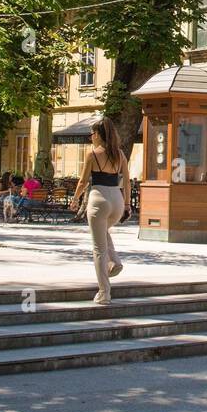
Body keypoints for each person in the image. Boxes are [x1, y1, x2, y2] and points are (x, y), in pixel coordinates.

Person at [71, 119, 131, 304]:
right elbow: (127, 182)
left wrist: (75, 199)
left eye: (92, 134)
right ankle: (115, 262)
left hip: (99, 199)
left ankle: (104, 293)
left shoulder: (92, 155)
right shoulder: (120, 154)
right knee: (103, 232)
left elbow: (83, 182)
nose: (91, 137)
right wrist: (127, 205)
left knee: (98, 249)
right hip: (117, 201)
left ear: (97, 134)